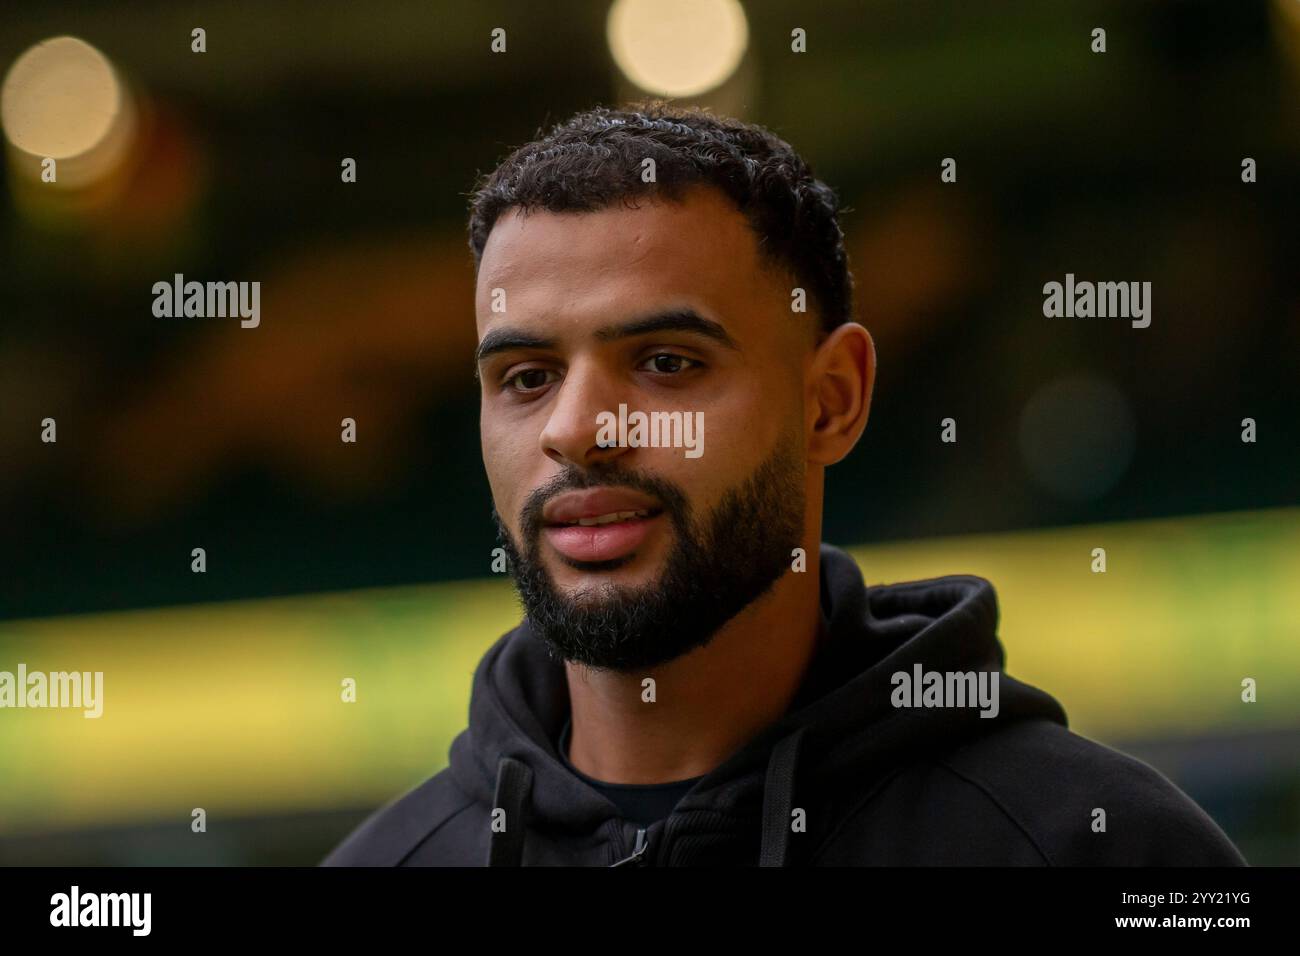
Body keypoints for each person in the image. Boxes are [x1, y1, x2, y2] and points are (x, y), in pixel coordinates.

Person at [323, 102, 1245, 866]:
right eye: (526, 377)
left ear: (831, 402)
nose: (576, 429)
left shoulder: (1105, 849)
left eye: (666, 362)